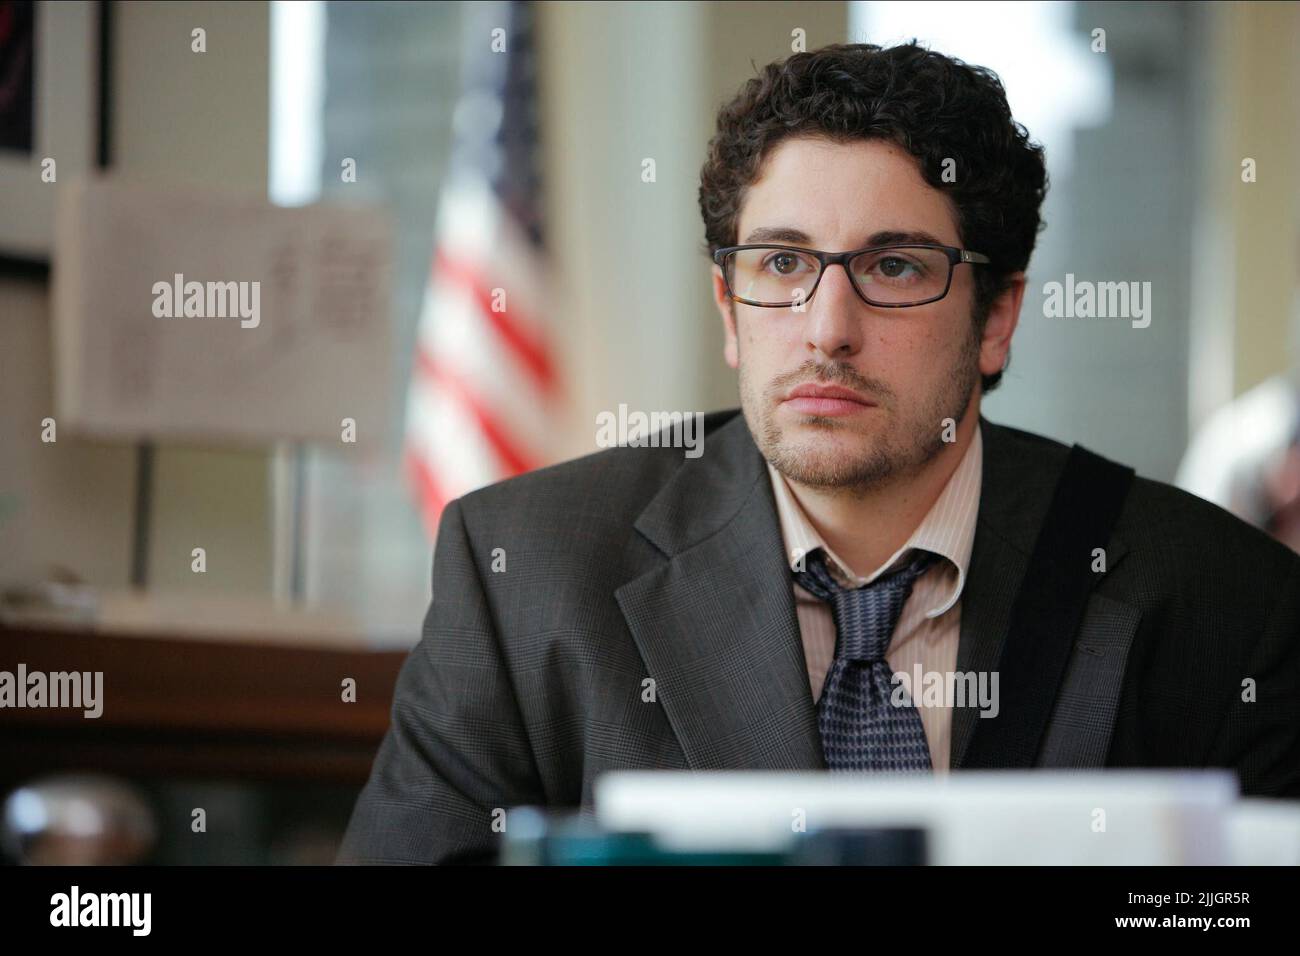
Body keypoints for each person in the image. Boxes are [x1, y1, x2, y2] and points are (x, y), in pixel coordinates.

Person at [339, 42, 1300, 865]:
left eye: (893, 266)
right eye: (783, 264)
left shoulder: (1224, 600)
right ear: (729, 308)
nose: (826, 329)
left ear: (997, 316)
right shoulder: (525, 574)